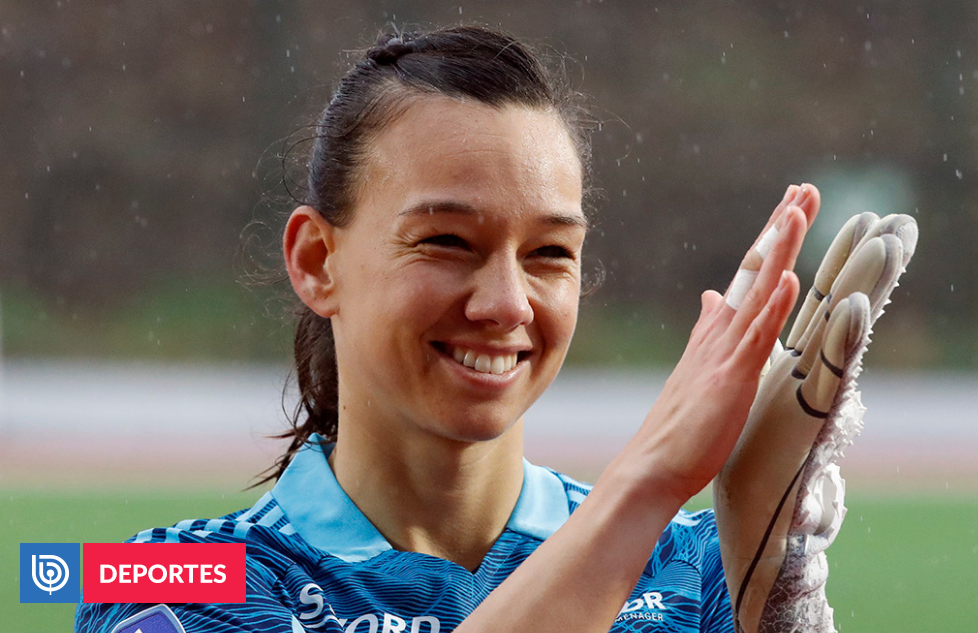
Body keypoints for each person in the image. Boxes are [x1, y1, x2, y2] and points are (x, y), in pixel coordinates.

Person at [76, 25, 913, 633]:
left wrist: (778, 596)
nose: (507, 302)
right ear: (317, 259)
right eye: (447, 241)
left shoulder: (698, 566)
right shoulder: (162, 579)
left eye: (550, 252)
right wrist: (648, 482)